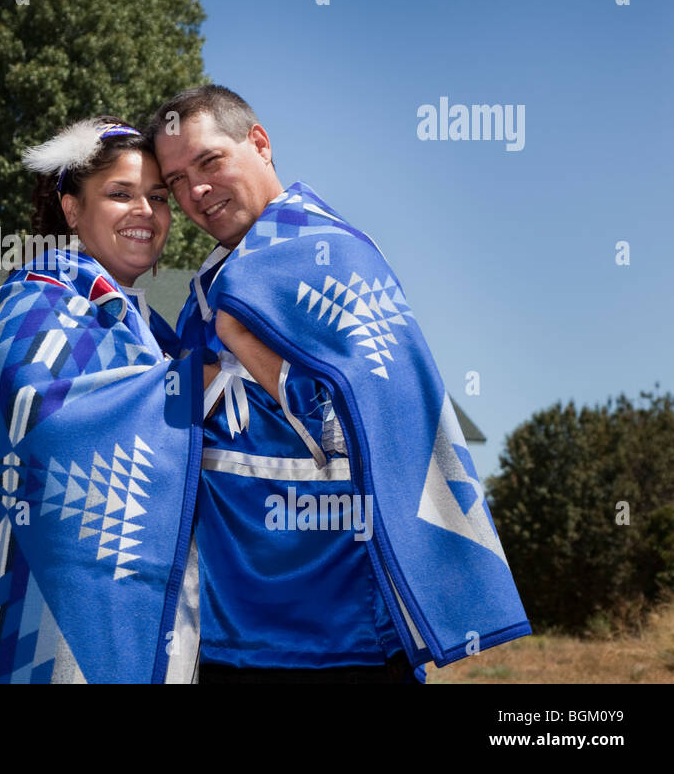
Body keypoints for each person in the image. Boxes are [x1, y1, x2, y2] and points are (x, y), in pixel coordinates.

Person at [147, 85, 530, 683]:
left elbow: (373, 436)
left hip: (339, 636)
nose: (195, 191)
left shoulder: (332, 258)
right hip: (227, 639)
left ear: (260, 143)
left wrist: (246, 343)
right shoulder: (205, 291)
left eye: (209, 161)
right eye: (174, 181)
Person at [0, 117, 217, 683]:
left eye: (158, 197)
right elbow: (32, 416)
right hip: (32, 599)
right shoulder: (32, 295)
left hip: (132, 601)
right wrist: (203, 378)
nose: (146, 212)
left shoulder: (156, 328)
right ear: (72, 209)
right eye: (120, 194)